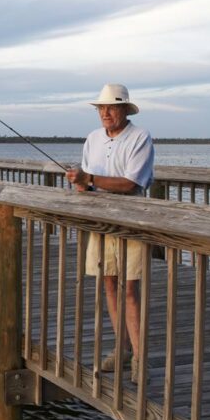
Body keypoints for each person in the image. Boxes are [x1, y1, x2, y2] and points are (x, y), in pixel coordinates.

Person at [66, 83, 154, 383]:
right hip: (100, 222)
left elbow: (131, 183)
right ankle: (122, 349)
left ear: (125, 110)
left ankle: (141, 358)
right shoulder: (92, 139)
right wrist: (81, 183)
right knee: (110, 285)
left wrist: (89, 177)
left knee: (130, 289)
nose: (105, 112)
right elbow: (89, 183)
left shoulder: (140, 137)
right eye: (101, 108)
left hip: (131, 221)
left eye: (111, 107)